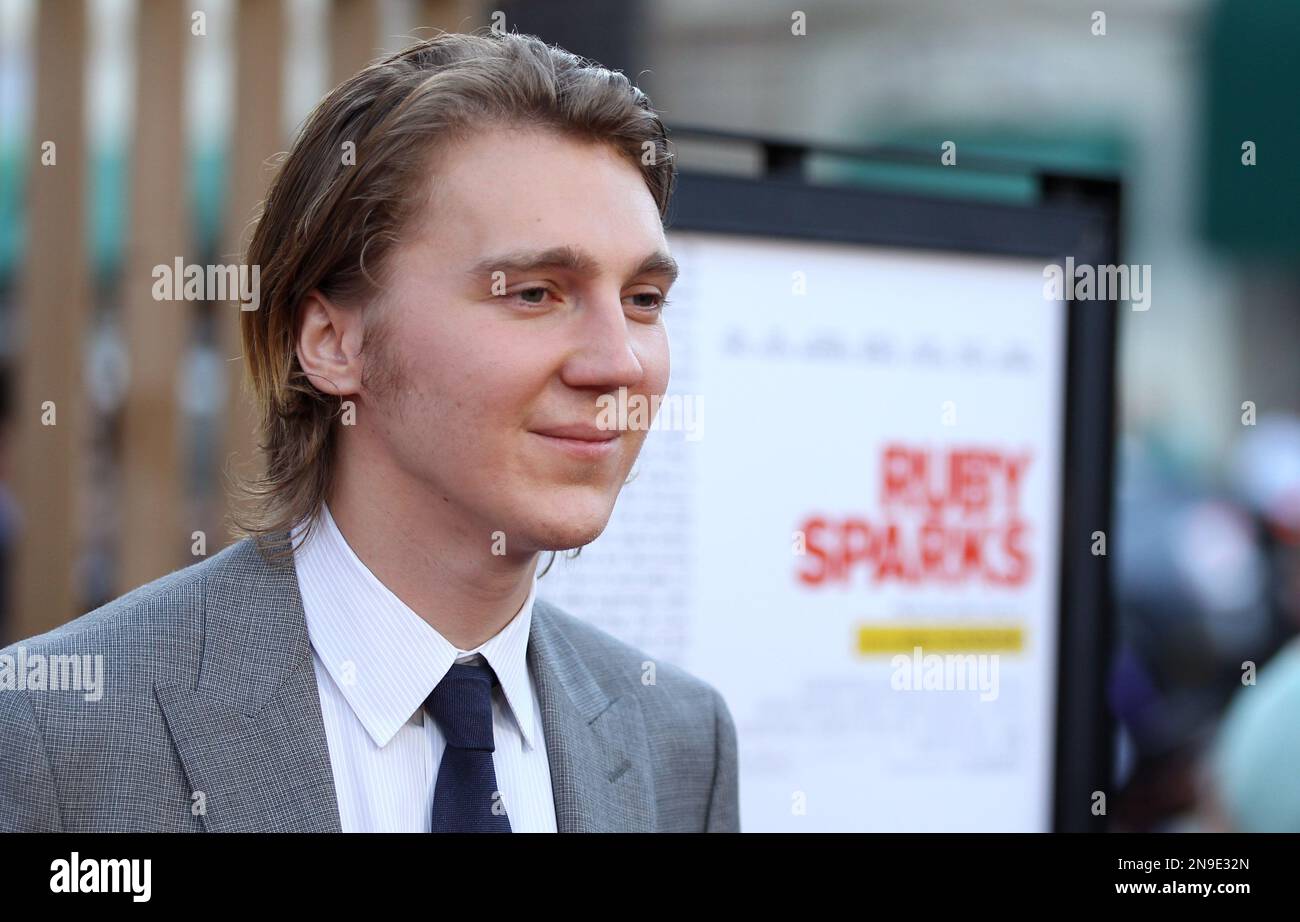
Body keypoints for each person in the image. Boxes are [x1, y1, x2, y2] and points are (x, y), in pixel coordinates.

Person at [0, 30, 739, 833]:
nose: (618, 363)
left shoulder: (679, 743)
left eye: (643, 300)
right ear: (333, 342)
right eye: (533, 293)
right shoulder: (55, 735)